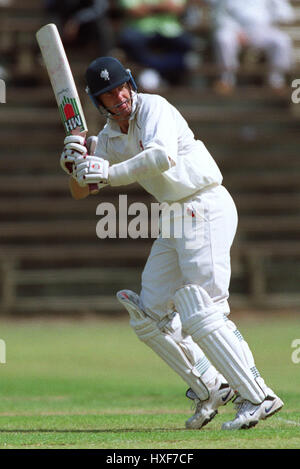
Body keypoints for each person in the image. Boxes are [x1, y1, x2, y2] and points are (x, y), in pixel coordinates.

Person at [59, 56, 284, 430]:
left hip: (204, 204)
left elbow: (161, 157)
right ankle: (211, 385)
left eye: (121, 88)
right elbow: (83, 190)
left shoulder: (155, 107)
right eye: (108, 95)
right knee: (149, 313)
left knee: (203, 308)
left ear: (130, 83)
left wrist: (109, 173)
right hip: (175, 216)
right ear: (98, 102)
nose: (118, 98)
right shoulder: (112, 136)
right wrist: (74, 165)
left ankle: (258, 395)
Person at [208, 0, 295, 94]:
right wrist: (235, 29)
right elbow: (220, 15)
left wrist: (276, 16)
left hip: (263, 29)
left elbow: (285, 12)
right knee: (223, 39)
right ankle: (226, 81)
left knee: (282, 41)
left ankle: (276, 82)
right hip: (234, 31)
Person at [117, 0, 195, 89]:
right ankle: (160, 73)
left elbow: (176, 8)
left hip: (171, 31)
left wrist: (148, 6)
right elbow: (135, 10)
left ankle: (153, 72)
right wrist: (163, 7)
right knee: (130, 40)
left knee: (186, 43)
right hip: (140, 31)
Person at [44, 0, 114, 56]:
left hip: (87, 28)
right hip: (66, 27)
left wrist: (76, 20)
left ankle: (104, 59)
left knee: (102, 25)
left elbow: (99, 8)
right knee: (52, 22)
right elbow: (50, 7)